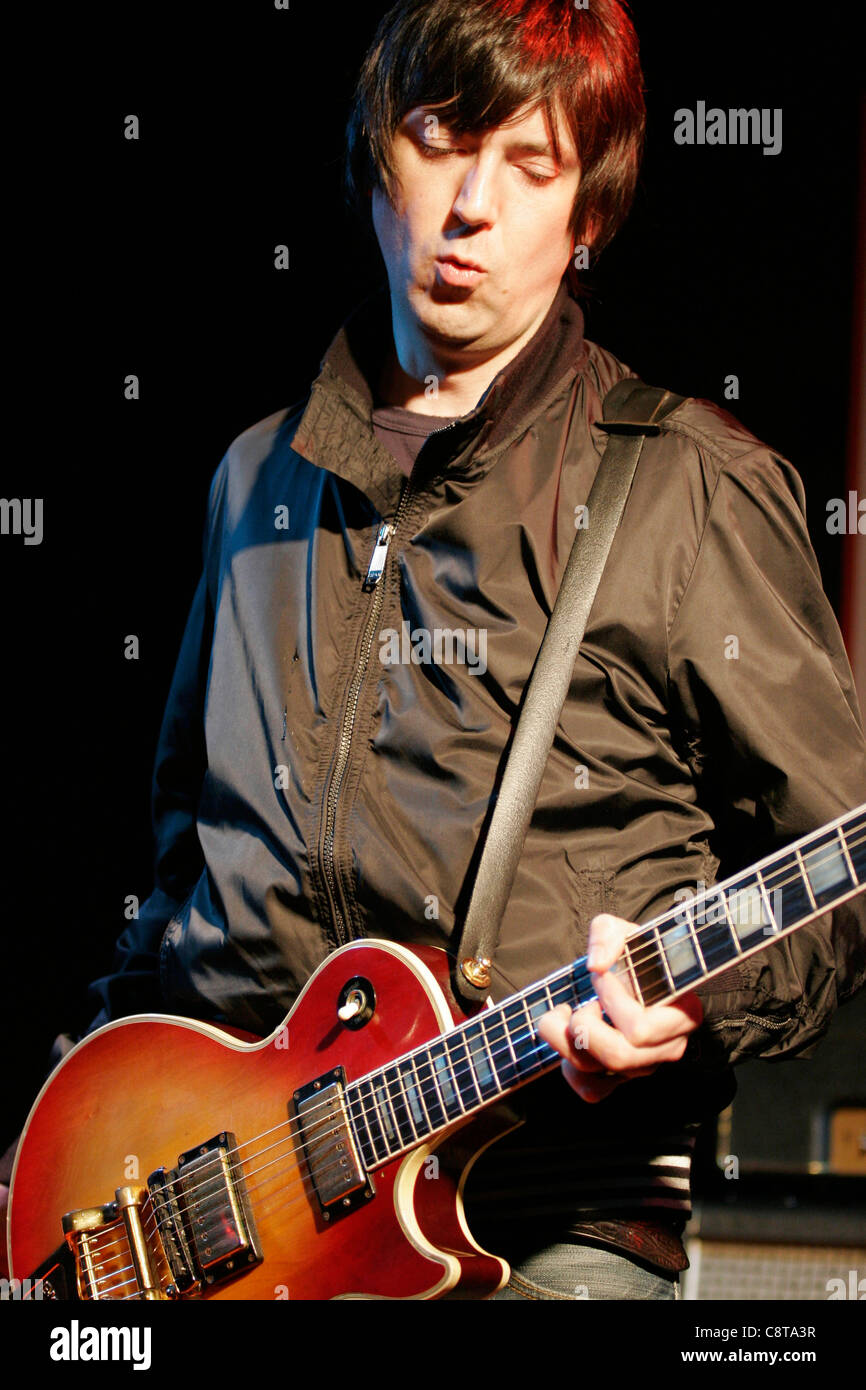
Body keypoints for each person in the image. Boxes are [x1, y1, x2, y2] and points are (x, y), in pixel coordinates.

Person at [5, 0, 866, 1299]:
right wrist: (74, 1133)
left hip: (542, 1202)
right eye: (439, 135)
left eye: (529, 166)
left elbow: (839, 866)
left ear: (588, 217)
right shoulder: (257, 480)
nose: (471, 204)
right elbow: (185, 876)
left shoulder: (689, 486)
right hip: (210, 1208)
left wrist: (692, 1005)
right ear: (373, 157)